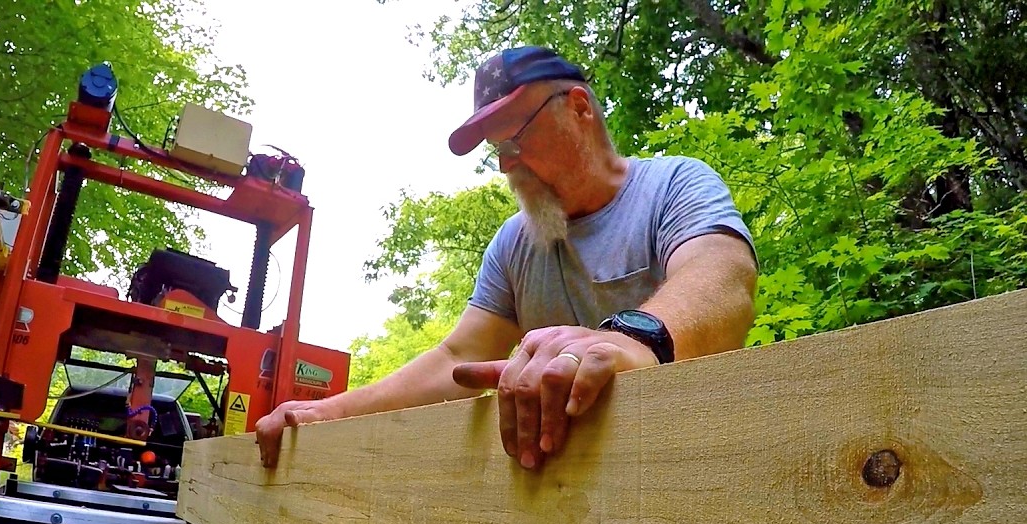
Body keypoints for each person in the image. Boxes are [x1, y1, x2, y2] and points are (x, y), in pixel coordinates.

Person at [256, 45, 758, 470]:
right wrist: (329, 413)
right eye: (496, 148)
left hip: (684, 466)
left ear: (579, 108)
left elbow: (722, 277)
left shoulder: (673, 185)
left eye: (516, 138)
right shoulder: (516, 241)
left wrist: (632, 340)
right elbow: (457, 359)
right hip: (566, 496)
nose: (505, 165)